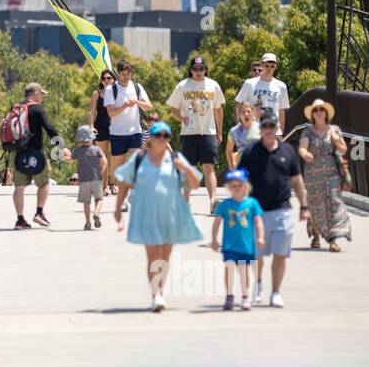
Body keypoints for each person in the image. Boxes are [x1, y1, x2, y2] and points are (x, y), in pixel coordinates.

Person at [113, 120, 202, 311]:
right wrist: (117, 208)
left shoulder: (175, 159)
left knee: (164, 257)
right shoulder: (139, 158)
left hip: (170, 214)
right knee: (153, 256)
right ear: (150, 139)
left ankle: (159, 290)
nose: (162, 139)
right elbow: (125, 182)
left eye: (165, 136)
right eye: (158, 135)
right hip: (146, 214)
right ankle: (156, 295)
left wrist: (185, 168)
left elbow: (194, 184)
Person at [239, 115, 310, 307]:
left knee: (280, 253)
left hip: (282, 209)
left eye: (272, 125)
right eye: (265, 126)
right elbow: (240, 178)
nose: (269, 129)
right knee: (257, 255)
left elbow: (297, 180)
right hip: (256, 212)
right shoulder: (251, 151)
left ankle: (276, 292)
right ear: (261, 129)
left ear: (277, 127)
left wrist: (304, 206)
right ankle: (258, 283)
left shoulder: (287, 150)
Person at [166, 55, 225, 213]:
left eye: (201, 68)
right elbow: (173, 107)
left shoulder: (213, 85)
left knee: (209, 167)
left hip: (208, 132)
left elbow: (218, 109)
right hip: (189, 133)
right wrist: (181, 118)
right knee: (188, 169)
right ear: (191, 70)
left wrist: (219, 132)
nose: (198, 71)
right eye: (195, 68)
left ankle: (213, 201)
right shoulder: (183, 85)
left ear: (206, 69)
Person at [297, 98, 351, 252]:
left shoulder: (334, 129)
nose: (319, 112)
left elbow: (343, 149)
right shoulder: (307, 132)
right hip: (313, 174)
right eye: (315, 110)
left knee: (334, 203)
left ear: (326, 113)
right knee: (316, 205)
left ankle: (333, 240)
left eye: (321, 109)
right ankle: (316, 235)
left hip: (332, 173)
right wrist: (305, 154)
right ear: (312, 114)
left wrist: (335, 139)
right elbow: (302, 147)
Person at [210, 168, 265, 311]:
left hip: (246, 245)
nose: (237, 188)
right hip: (229, 245)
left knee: (243, 270)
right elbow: (217, 222)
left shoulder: (252, 203)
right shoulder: (225, 204)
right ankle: (229, 296)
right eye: (233, 186)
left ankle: (245, 297)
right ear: (229, 187)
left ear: (246, 186)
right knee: (229, 269)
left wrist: (260, 237)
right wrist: (214, 239)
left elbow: (258, 221)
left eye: (240, 185)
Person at [11, 82, 61, 230]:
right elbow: (49, 127)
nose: (42, 97)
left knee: (19, 187)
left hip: (18, 153)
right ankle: (39, 213)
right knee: (44, 183)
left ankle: (20, 220)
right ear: (35, 94)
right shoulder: (37, 109)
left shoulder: (16, 108)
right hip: (36, 153)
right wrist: (60, 146)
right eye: (42, 94)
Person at [101, 60, 151, 192]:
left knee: (136, 162)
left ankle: (134, 193)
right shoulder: (111, 89)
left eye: (129, 74)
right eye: (123, 74)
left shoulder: (137, 87)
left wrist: (137, 102)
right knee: (121, 166)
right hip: (117, 133)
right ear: (118, 73)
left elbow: (148, 106)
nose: (126, 77)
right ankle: (123, 194)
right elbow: (111, 113)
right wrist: (124, 106)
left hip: (135, 131)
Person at [235, 52, 289, 132]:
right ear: (262, 65)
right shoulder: (249, 83)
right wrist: (240, 124)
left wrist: (281, 132)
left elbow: (281, 111)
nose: (269, 69)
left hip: (273, 130)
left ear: (275, 67)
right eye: (266, 65)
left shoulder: (281, 86)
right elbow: (238, 104)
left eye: (272, 66)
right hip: (253, 130)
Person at [87, 69, 117, 197]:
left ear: (114, 80)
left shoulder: (118, 93)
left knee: (115, 157)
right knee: (103, 158)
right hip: (101, 127)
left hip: (116, 127)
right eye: (104, 78)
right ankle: (104, 186)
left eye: (109, 78)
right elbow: (91, 111)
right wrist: (91, 126)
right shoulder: (97, 94)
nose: (106, 80)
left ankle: (114, 184)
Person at [72, 124, 108, 230]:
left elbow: (70, 160)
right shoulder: (97, 150)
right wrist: (100, 171)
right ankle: (96, 213)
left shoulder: (77, 150)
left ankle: (88, 223)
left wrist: (65, 156)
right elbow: (105, 162)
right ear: (92, 138)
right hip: (97, 179)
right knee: (99, 199)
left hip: (84, 181)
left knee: (86, 203)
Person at [225, 102, 257, 171]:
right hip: (242, 167)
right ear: (239, 115)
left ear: (253, 113)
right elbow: (229, 150)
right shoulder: (233, 131)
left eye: (248, 111)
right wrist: (232, 167)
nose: (246, 114)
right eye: (243, 112)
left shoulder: (261, 128)